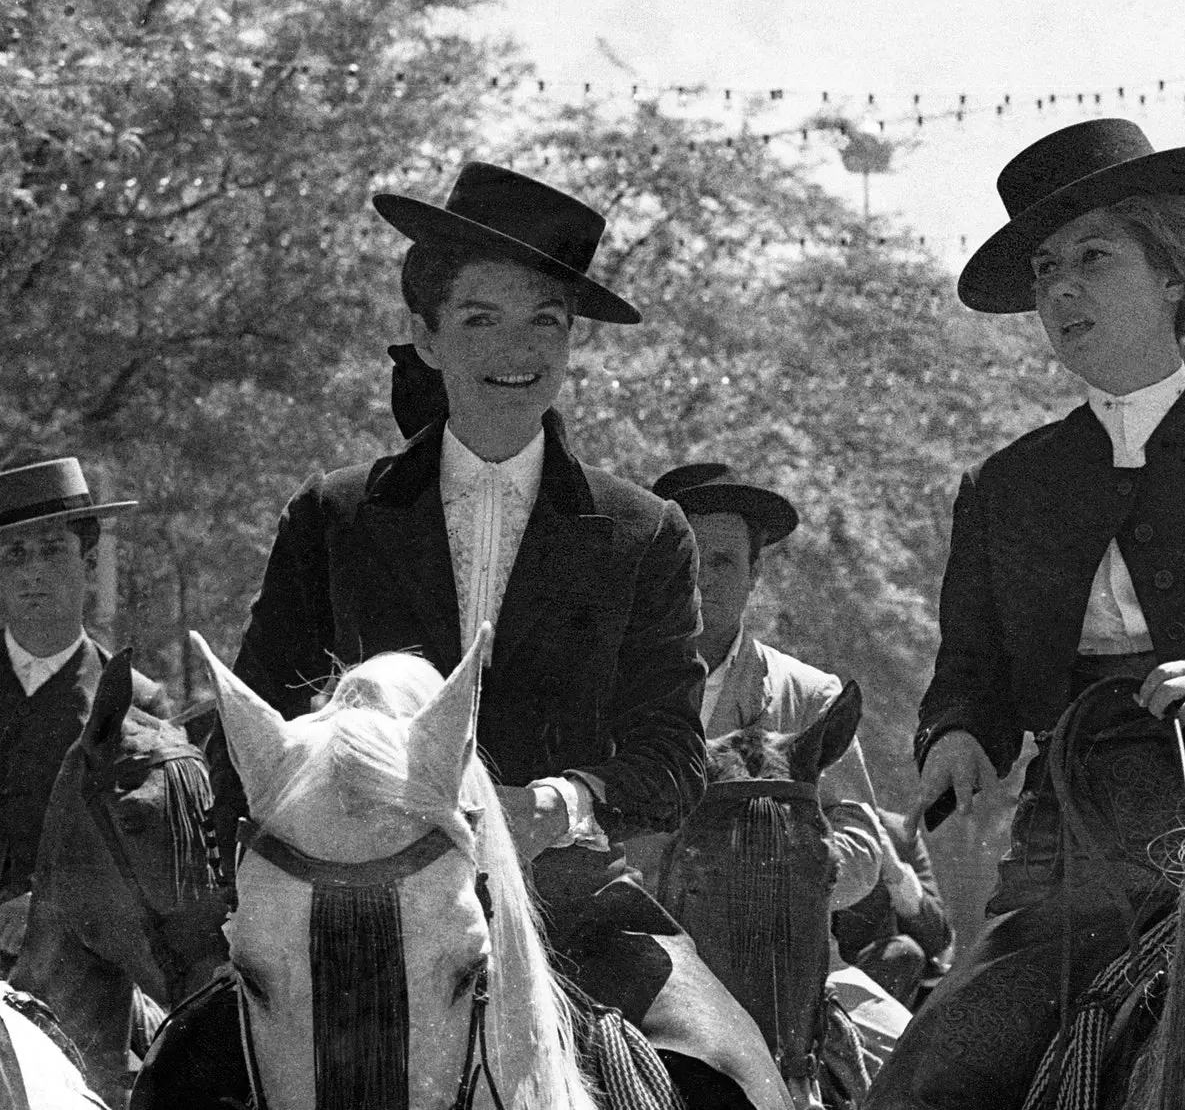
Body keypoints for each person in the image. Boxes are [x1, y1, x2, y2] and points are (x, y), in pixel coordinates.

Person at [156, 164, 787, 1110]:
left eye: (546, 319)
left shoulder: (646, 531)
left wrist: (565, 801)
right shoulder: (333, 515)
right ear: (427, 332)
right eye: (482, 317)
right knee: (171, 1076)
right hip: (351, 907)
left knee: (735, 1083)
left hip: (571, 909)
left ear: (573, 339)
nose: (516, 348)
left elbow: (673, 753)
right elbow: (248, 729)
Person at [865, 119, 1185, 1110]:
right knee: (926, 1076)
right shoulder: (1006, 486)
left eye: (1092, 257)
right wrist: (958, 732)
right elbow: (971, 669)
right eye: (1046, 268)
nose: (1060, 289)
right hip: (1065, 870)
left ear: (1171, 273)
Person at [645, 463, 912, 1076]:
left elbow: (862, 842)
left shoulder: (811, 694)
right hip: (653, 957)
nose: (702, 583)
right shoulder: (610, 687)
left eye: (722, 564)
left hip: (794, 961)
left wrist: (791, 872)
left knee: (916, 1062)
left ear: (754, 574)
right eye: (686, 563)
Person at [0, 456, 170, 966]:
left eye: (53, 551)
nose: (32, 573)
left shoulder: (136, 702)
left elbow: (158, 863)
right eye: (14, 555)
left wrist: (49, 904)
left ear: (90, 563)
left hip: (81, 970)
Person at [832, 807, 954, 1011]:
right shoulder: (788, 823)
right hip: (807, 978)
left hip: (866, 983)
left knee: (904, 952)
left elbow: (936, 938)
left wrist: (893, 868)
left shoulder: (897, 832)